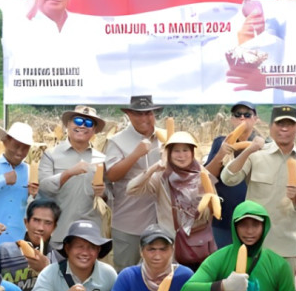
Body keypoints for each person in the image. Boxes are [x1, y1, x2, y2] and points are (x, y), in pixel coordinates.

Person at [221, 105, 296, 282]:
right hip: (253, 246)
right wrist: (248, 150)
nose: (284, 128)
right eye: (279, 124)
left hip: (286, 247)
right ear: (271, 127)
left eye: (290, 124)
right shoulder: (256, 154)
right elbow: (228, 178)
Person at [127, 131, 216, 271]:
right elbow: (132, 189)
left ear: (192, 152)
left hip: (199, 244)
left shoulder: (202, 175)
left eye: (186, 150)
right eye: (176, 151)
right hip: (171, 244)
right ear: (169, 153)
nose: (182, 155)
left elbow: (214, 208)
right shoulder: (161, 177)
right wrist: (154, 168)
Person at [105, 95, 165, 269]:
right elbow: (112, 175)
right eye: (138, 114)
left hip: (163, 223)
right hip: (129, 223)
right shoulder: (117, 141)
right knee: (126, 272)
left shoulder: (167, 138)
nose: (145, 118)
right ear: (129, 114)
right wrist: (135, 154)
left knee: (159, 276)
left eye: (148, 113)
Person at [38, 105, 107, 252]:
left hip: (89, 236)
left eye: (88, 123)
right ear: (68, 124)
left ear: (94, 130)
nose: (82, 126)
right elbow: (43, 188)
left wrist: (103, 193)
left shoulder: (102, 159)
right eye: (78, 120)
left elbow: (111, 198)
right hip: (59, 233)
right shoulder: (51, 155)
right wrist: (68, 173)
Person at [202, 102, 260, 248]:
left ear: (255, 119)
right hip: (223, 220)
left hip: (253, 222)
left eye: (247, 115)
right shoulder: (221, 142)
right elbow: (206, 178)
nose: (242, 118)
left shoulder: (263, 145)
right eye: (237, 115)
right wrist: (221, 154)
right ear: (231, 119)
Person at [0, 198, 62, 291]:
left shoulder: (59, 259)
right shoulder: (5, 251)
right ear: (26, 222)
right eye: (36, 220)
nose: (40, 228)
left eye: (48, 223)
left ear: (54, 227)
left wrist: (46, 268)